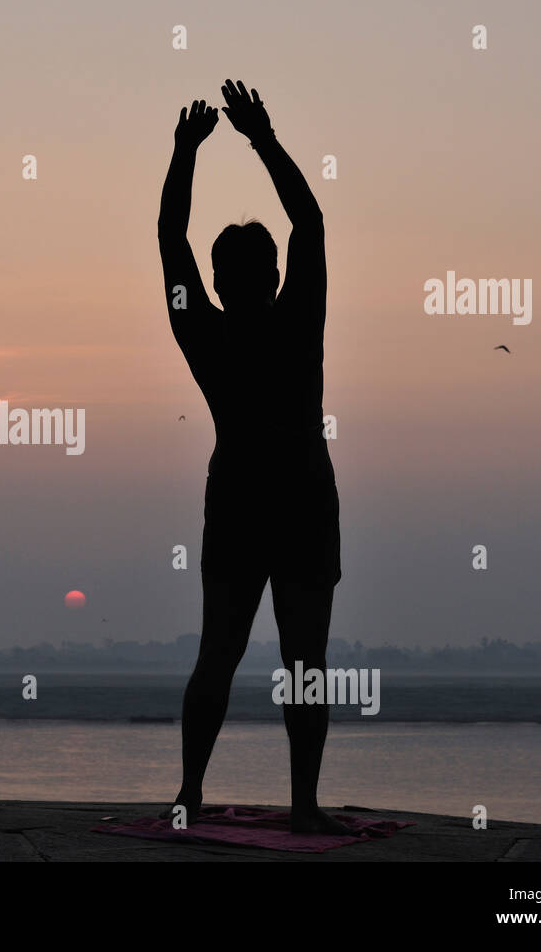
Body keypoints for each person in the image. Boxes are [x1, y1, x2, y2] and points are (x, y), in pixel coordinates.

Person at [158, 82, 348, 834]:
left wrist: (184, 154)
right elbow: (310, 220)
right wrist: (261, 138)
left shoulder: (203, 333)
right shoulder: (297, 318)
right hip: (297, 499)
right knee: (300, 661)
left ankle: (190, 792)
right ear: (269, 278)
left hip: (244, 501)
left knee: (219, 656)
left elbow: (170, 238)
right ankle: (301, 804)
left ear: (220, 281)